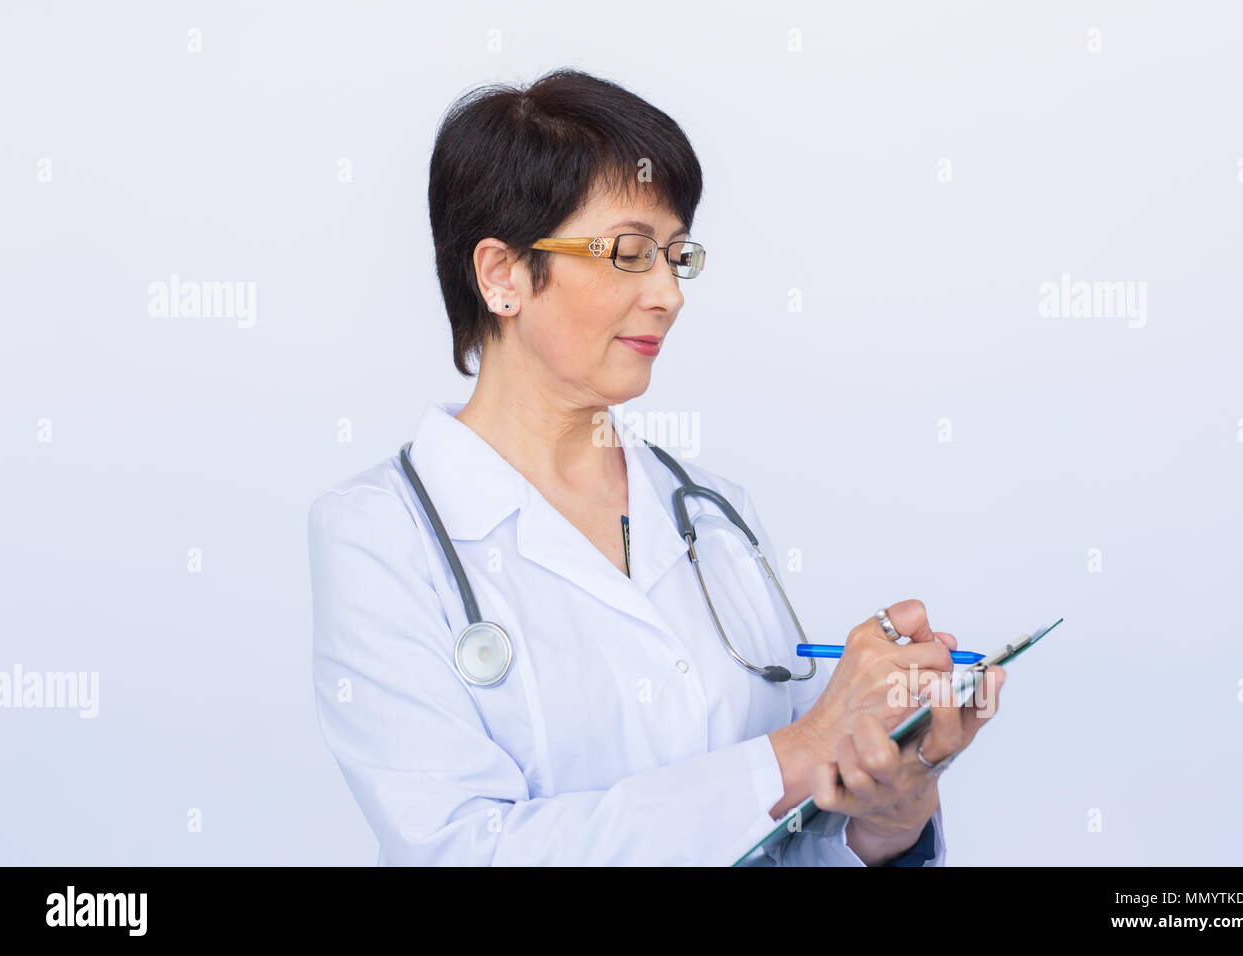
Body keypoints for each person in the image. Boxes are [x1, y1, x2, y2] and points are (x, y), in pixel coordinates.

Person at [307, 67, 1005, 866]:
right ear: (501, 275)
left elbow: (782, 842)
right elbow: (465, 852)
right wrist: (796, 751)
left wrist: (888, 816)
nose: (669, 294)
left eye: (678, 256)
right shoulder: (378, 538)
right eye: (631, 253)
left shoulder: (713, 517)